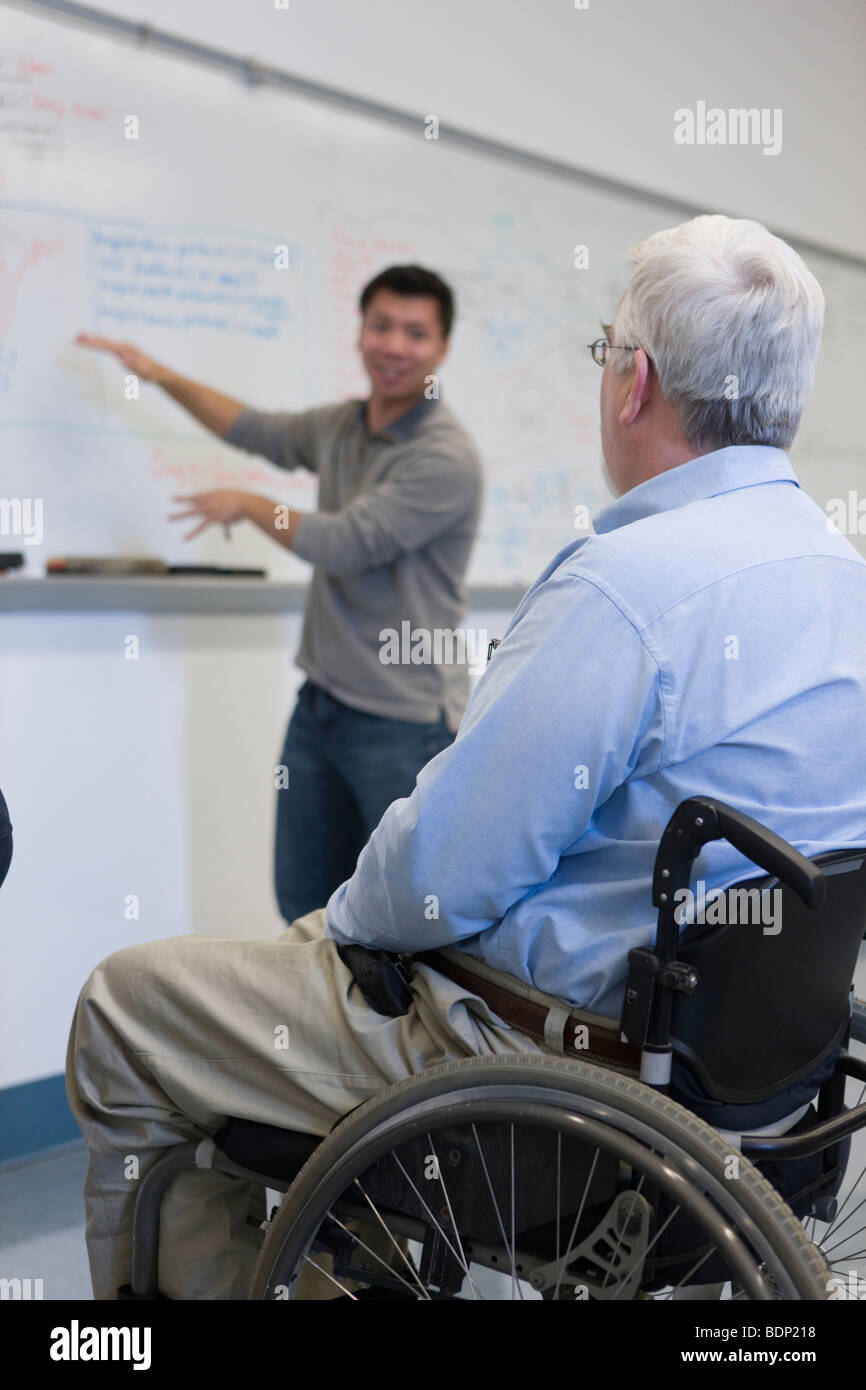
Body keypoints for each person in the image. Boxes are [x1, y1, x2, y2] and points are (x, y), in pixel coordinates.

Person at [67, 214, 866, 1301]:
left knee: (127, 1001)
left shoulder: (623, 588)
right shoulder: (841, 577)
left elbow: (439, 876)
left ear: (631, 382)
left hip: (554, 1073)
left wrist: (350, 924)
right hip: (758, 1083)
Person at [77, 265, 483, 925]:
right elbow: (255, 430)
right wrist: (161, 376)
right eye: (381, 325)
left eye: (415, 333)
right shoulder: (343, 427)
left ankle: (391, 1034)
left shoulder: (445, 457)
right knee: (303, 906)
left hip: (403, 722)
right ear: (359, 334)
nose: (394, 346)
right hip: (322, 704)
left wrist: (247, 504)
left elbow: (347, 542)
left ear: (441, 349)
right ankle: (320, 1030)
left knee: (400, 922)